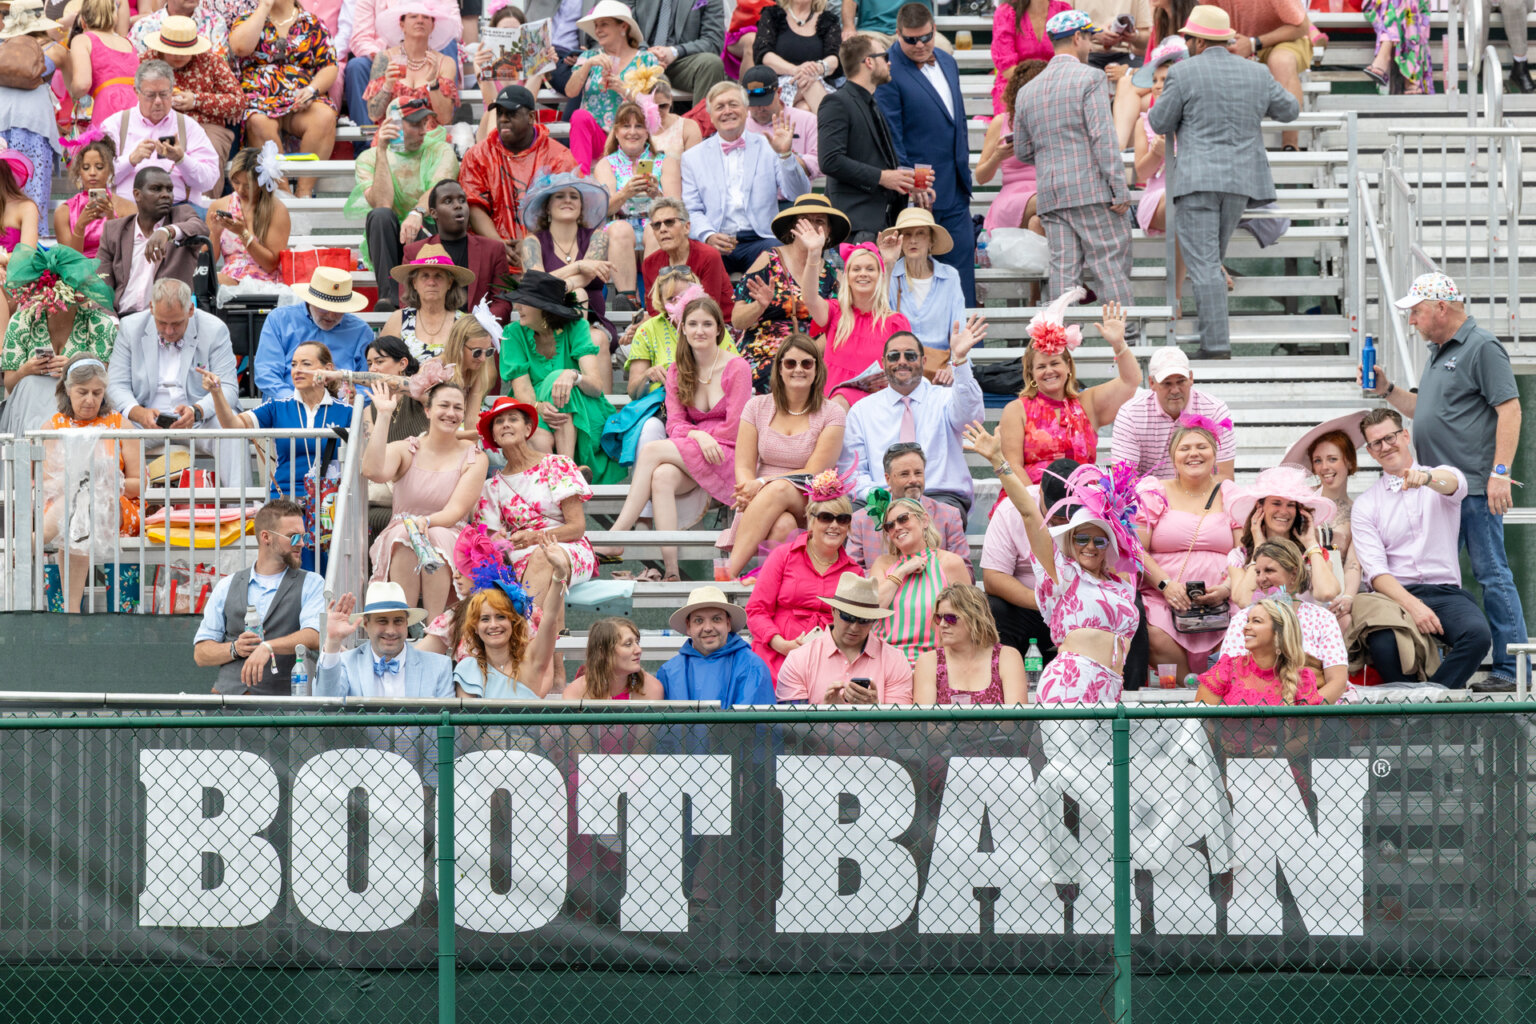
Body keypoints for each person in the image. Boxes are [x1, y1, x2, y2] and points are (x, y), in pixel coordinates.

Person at [1364, 272, 1525, 690]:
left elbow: (1510, 409)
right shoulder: (1439, 352)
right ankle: (1443, 666)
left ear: (1440, 307)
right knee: (1439, 583)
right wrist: (1388, 390)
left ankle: (1512, 670)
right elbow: (1424, 409)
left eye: (1416, 311)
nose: (1412, 321)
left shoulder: (1482, 346)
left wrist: (1500, 474)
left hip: (1470, 487)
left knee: (1492, 574)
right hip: (1435, 493)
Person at [1148, 5, 1298, 359]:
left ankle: (1216, 347)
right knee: (1211, 260)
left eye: (1188, 39)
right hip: (1241, 181)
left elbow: (1159, 121)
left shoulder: (1183, 73)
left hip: (1197, 179)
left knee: (1203, 265)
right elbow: (1289, 110)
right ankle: (1216, 343)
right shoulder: (1256, 73)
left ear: (1198, 42)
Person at [971, 426, 1142, 702]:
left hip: (1111, 689)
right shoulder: (1062, 572)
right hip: (1070, 684)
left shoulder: (1121, 587)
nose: (1089, 546)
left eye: (1099, 541)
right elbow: (1028, 512)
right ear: (1071, 540)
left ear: (1109, 546)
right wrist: (997, 460)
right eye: (1082, 538)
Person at [601, 295, 752, 580]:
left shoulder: (737, 367)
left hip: (729, 453)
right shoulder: (676, 370)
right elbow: (676, 424)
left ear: (719, 329)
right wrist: (699, 435)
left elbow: (736, 428)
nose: (700, 331)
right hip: (698, 449)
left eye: (707, 324)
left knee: (651, 452)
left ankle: (617, 534)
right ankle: (671, 570)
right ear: (682, 328)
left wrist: (703, 437)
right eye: (692, 324)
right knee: (662, 477)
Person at [1351, 408, 1492, 690]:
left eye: (1390, 437)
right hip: (1395, 596)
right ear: (1370, 451)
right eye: (1376, 443)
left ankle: (1424, 708)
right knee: (1384, 645)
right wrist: (1414, 606)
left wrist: (1427, 479)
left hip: (1445, 591)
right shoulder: (1366, 504)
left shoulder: (1440, 477)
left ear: (1405, 435)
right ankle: (1418, 715)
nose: (1385, 446)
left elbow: (1455, 484)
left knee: (1477, 636)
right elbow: (1376, 572)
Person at [1012, 12, 1134, 317]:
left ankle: (1059, 347)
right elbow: (1103, 138)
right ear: (1078, 38)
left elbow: (1023, 150)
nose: (1092, 44)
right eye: (1090, 37)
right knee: (1110, 266)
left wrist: (1051, 153)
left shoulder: (1027, 91)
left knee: (1063, 274)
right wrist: (1119, 188)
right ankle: (1128, 342)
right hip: (1091, 190)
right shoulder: (1090, 77)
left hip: (1052, 195)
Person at [876, 3, 977, 304]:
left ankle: (969, 348)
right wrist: (917, 183)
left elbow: (957, 121)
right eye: (911, 40)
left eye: (926, 37)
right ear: (897, 35)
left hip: (956, 186)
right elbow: (894, 136)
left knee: (962, 274)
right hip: (920, 193)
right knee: (918, 278)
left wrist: (964, 175)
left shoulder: (947, 61)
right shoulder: (888, 71)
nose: (920, 45)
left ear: (935, 30)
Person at [364, 377, 489, 620]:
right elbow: (373, 471)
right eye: (444, 405)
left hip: (449, 531)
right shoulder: (407, 448)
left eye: (457, 408)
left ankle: (435, 624)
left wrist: (427, 523)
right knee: (405, 533)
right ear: (428, 410)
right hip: (402, 530)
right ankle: (404, 622)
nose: (451, 413)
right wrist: (384, 416)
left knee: (436, 535)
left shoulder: (474, 457)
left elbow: (455, 511)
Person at [722, 336, 846, 580]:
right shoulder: (756, 407)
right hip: (760, 498)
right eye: (790, 364)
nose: (798, 369)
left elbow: (813, 472)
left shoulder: (832, 412)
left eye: (806, 364)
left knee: (778, 489)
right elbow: (744, 465)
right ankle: (773, 586)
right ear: (779, 369)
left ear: (817, 369)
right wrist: (750, 487)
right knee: (783, 526)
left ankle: (727, 575)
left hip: (810, 495)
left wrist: (760, 484)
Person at [1135, 416, 1242, 680]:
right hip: (1164, 598)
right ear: (1173, 458)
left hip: (1223, 600)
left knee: (1244, 627)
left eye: (1202, 446)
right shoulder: (1154, 491)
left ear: (1215, 455)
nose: (1194, 453)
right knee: (1156, 636)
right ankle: (1184, 708)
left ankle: (1218, 700)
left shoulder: (1229, 493)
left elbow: (1245, 550)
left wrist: (1228, 588)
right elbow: (1136, 548)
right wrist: (1166, 586)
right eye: (1185, 448)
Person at [106, 279, 244, 481]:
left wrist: (197, 411)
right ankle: (116, 509)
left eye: (177, 323)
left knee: (231, 429)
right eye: (162, 322)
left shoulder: (215, 329)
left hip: (200, 421)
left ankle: (241, 508)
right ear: (151, 308)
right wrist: (138, 413)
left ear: (191, 309)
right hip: (144, 422)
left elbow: (229, 388)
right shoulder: (130, 327)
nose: (169, 331)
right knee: (108, 431)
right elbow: (116, 384)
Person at [840, 326, 985, 515]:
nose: (902, 362)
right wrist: (875, 495)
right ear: (883, 362)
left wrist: (960, 360)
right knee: (848, 518)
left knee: (928, 522)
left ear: (923, 361)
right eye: (894, 356)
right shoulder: (861, 410)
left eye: (910, 356)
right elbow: (852, 469)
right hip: (881, 497)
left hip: (939, 494)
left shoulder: (945, 398)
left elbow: (971, 418)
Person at [38, 355, 143, 615]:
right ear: (67, 390)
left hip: (116, 507)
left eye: (97, 393)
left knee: (84, 500)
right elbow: (48, 484)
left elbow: (139, 485)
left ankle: (70, 614)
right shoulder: (52, 426)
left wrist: (108, 480)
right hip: (67, 509)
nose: (90, 400)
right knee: (79, 503)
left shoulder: (120, 424)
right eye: (82, 392)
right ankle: (72, 615)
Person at [998, 295, 1139, 484]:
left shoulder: (1087, 403)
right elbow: (1013, 466)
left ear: (1068, 367)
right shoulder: (1016, 410)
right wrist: (1037, 508)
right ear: (1031, 373)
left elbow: (1131, 381)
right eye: (1041, 367)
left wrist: (1119, 344)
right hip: (1031, 504)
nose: (1049, 371)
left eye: (1055, 363)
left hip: (1083, 503)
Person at [499, 270, 623, 483]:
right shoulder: (512, 333)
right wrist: (539, 407)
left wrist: (573, 376)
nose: (516, 307)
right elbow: (522, 392)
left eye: (524, 302)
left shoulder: (577, 327)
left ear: (544, 308)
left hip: (584, 410)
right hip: (535, 408)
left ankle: (564, 471)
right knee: (539, 438)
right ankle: (565, 475)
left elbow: (594, 386)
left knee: (561, 379)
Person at [192, 499, 325, 695]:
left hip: (281, 710)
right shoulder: (227, 585)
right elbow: (201, 654)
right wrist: (234, 649)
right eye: (294, 537)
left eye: (303, 537)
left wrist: (268, 646)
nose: (302, 544)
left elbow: (314, 635)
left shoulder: (311, 582)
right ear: (266, 537)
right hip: (226, 709)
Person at [475, 395, 599, 602]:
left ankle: (528, 627)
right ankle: (550, 631)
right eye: (499, 421)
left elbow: (577, 528)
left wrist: (534, 537)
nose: (506, 424)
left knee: (544, 556)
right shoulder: (491, 487)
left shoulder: (557, 464)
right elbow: (492, 544)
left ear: (527, 428)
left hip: (568, 548)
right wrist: (504, 540)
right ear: (493, 436)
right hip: (519, 555)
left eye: (513, 419)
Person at [743, 466, 862, 681]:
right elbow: (756, 610)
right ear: (811, 519)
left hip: (829, 660)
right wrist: (781, 644)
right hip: (776, 655)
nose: (834, 525)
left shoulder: (854, 571)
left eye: (842, 519)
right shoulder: (783, 556)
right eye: (826, 517)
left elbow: (857, 627)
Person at [199, 340, 353, 506]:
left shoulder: (347, 411)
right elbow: (232, 425)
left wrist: (341, 377)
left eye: (306, 364)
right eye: (293, 364)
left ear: (328, 369)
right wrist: (217, 393)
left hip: (331, 502)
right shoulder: (277, 406)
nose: (297, 370)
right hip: (284, 502)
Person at [680, 82, 811, 275]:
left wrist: (786, 156)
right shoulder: (692, 157)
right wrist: (708, 235)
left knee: (778, 253)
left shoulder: (770, 147)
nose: (727, 111)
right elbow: (691, 208)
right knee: (700, 258)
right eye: (720, 107)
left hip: (761, 239)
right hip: (716, 238)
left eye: (733, 104)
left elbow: (799, 193)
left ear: (746, 109)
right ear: (711, 117)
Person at [347, 101, 462, 309]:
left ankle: (417, 301)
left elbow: (439, 190)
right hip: (388, 241)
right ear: (395, 125)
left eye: (425, 123)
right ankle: (389, 299)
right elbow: (382, 203)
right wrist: (382, 150)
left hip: (429, 231)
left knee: (419, 226)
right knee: (379, 215)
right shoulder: (368, 158)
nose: (423, 131)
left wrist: (417, 212)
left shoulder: (440, 150)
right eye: (416, 124)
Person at [0, 245, 119, 436]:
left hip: (82, 412)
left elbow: (103, 383)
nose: (51, 299)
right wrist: (26, 370)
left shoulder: (98, 323)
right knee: (30, 384)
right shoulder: (21, 321)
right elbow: (10, 385)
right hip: (29, 407)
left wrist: (75, 370)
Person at [734, 194, 845, 392]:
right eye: (805, 221)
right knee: (771, 375)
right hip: (763, 354)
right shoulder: (768, 260)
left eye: (819, 222)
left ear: (827, 232)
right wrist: (759, 306)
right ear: (794, 227)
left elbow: (837, 329)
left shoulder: (833, 275)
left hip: (809, 357)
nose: (811, 227)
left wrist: (803, 353)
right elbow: (737, 320)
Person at [230, 0, 340, 197]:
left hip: (300, 96)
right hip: (259, 97)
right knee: (258, 122)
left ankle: (304, 192)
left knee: (324, 116)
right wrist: (264, 7)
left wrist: (312, 90)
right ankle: (282, 194)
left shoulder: (313, 23)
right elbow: (240, 48)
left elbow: (330, 65)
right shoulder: (249, 18)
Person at [1218, 538, 1349, 703]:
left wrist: (1300, 716)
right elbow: (1227, 677)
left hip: (1312, 716)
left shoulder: (1321, 618)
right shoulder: (1242, 619)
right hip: (1252, 715)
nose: (1261, 579)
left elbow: (1337, 682)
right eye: (1258, 572)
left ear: (1293, 574)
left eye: (1269, 570)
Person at [978, 455, 1078, 669]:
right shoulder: (1009, 510)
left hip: (1081, 604)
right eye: (1055, 511)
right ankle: (1002, 684)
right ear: (1040, 490)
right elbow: (993, 578)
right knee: (993, 609)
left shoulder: (1097, 512)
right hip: (1030, 606)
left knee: (1131, 606)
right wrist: (1044, 602)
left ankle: (1127, 692)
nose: (1061, 518)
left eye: (1067, 513)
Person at [517, 171, 635, 351]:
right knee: (576, 294)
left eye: (574, 197)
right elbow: (535, 283)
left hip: (593, 321)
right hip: (545, 320)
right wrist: (578, 265)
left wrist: (558, 284)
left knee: (580, 296)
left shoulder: (598, 237)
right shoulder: (532, 241)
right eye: (560, 196)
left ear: (581, 207)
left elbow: (586, 277)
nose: (567, 200)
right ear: (547, 207)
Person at [459, 84, 578, 260]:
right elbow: (473, 206)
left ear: (531, 117)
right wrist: (498, 244)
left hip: (548, 253)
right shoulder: (477, 155)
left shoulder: (559, 156)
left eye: (511, 113)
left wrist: (532, 243)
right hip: (492, 254)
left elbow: (567, 210)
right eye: (499, 113)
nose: (503, 119)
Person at [1196, 598, 1324, 758]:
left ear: (1278, 632)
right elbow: (1197, 721)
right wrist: (1220, 744)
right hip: (1223, 770)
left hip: (1278, 772)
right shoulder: (1227, 668)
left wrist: (1276, 752)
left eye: (1256, 621)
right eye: (1247, 620)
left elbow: (1310, 736)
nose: (1246, 627)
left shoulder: (1302, 678)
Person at [796, 240, 911, 408]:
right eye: (856, 269)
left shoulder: (895, 322)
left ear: (880, 276)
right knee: (840, 401)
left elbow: (906, 369)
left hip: (877, 407)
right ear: (847, 277)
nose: (863, 274)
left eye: (870, 269)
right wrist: (814, 253)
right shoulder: (835, 312)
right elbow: (810, 298)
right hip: (834, 405)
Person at [138, 17, 243, 202]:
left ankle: (202, 210)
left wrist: (197, 100)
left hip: (206, 125)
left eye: (184, 52)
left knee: (208, 151)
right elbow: (132, 92)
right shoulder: (147, 61)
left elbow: (238, 101)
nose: (178, 56)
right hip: (157, 123)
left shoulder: (211, 61)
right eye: (173, 52)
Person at [452, 538, 571, 699]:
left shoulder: (532, 660)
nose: (493, 625)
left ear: (513, 622)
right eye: (485, 619)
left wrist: (560, 573)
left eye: (501, 617)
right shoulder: (468, 669)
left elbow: (550, 616)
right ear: (475, 627)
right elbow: (468, 723)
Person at [818, 33, 908, 244]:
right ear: (869, 61)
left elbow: (874, 159)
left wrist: (905, 181)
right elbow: (830, 161)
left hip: (880, 222)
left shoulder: (872, 103)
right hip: (854, 226)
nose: (889, 62)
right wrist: (882, 177)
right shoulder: (837, 102)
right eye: (885, 57)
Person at [104, 56, 225, 206]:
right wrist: (130, 160)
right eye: (150, 95)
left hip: (177, 212)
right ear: (136, 92)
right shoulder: (115, 124)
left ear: (172, 91)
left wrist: (182, 159)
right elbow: (97, 177)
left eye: (164, 94)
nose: (158, 101)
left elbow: (209, 181)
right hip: (127, 212)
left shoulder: (188, 127)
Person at [777, 573, 914, 703]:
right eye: (847, 617)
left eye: (864, 620)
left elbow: (903, 725)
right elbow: (790, 726)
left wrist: (875, 712)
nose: (854, 627)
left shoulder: (800, 658)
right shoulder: (799, 659)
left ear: (874, 620)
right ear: (833, 611)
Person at [1284, 411, 1365, 629]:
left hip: (1338, 589)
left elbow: (1353, 564)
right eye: (1318, 461)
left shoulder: (1360, 510)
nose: (1324, 467)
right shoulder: (1301, 502)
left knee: (1346, 621)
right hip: (1299, 587)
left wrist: (1346, 597)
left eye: (1332, 459)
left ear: (1348, 461)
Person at [95, 165, 208, 316]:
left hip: (166, 321)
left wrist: (166, 231)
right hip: (122, 320)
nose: (165, 195)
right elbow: (100, 288)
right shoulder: (114, 231)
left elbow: (201, 228)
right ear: (137, 194)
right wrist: (112, 323)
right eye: (156, 189)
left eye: (169, 189)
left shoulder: (181, 216)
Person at [1109, 346, 1236, 480]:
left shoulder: (1215, 410)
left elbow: (1225, 476)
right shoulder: (1130, 414)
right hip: (1146, 497)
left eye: (1181, 381)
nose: (1175, 390)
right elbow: (1123, 479)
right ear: (1152, 383)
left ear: (1191, 378)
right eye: (1167, 383)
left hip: (1201, 497)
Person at [844, 442, 971, 574]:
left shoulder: (949, 515)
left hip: (936, 594)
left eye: (918, 473)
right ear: (887, 479)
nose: (913, 480)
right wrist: (896, 575)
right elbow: (852, 576)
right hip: (882, 593)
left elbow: (966, 574)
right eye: (905, 474)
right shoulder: (860, 521)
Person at [872, 496, 971, 666]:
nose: (897, 527)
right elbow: (874, 607)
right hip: (886, 664)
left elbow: (970, 620)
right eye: (890, 526)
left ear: (924, 520)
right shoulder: (883, 564)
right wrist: (902, 570)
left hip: (937, 663)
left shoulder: (949, 563)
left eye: (903, 519)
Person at [564, 1, 658, 174]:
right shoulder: (589, 56)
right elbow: (570, 91)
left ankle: (642, 177)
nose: (598, 30)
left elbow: (655, 108)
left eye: (604, 24)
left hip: (632, 138)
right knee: (579, 116)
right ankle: (581, 180)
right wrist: (587, 66)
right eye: (596, 25)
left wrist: (625, 90)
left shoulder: (646, 60)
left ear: (623, 26)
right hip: (598, 139)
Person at [316, 583, 455, 698]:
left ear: (407, 623)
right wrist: (333, 641)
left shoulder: (439, 666)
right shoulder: (345, 664)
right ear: (366, 624)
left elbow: (449, 729)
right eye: (382, 621)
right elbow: (325, 706)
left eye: (398, 621)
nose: (391, 631)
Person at [1226, 464, 1339, 606]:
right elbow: (1245, 601)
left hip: (1302, 627)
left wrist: (1310, 542)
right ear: (1260, 508)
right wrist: (1259, 548)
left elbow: (1326, 593)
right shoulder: (1240, 557)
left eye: (1291, 505)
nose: (1284, 511)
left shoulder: (1312, 554)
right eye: (1276, 503)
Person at [253, 268, 373, 398]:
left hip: (339, 409)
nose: (331, 315)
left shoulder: (361, 331)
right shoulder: (280, 319)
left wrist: (354, 400)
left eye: (339, 310)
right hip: (287, 405)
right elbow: (266, 372)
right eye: (324, 308)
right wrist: (292, 401)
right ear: (310, 300)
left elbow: (369, 383)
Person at [401, 181, 510, 319]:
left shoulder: (493, 250)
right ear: (434, 213)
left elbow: (503, 303)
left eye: (462, 200)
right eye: (448, 201)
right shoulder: (414, 252)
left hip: (478, 333)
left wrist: (476, 327)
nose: (458, 205)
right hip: (430, 333)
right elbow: (407, 302)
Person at [655, 585, 775, 707]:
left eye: (716, 619)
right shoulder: (668, 672)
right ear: (688, 626)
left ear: (728, 624)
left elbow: (753, 725)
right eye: (699, 620)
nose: (708, 628)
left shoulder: (753, 667)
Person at [879, 207, 965, 373]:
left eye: (920, 234)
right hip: (899, 367)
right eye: (908, 234)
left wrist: (952, 366)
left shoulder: (949, 276)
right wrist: (888, 265)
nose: (913, 240)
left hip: (941, 368)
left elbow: (958, 327)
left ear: (931, 241)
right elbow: (879, 320)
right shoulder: (890, 273)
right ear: (900, 241)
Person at [0, 1, 63, 229]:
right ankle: (34, 251)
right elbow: (76, 87)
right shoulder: (54, 50)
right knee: (35, 198)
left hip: (1, 121)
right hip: (36, 125)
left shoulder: (2, 47)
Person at [1215, 0, 1310, 150]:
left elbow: (1302, 26)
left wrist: (1253, 43)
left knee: (1281, 61)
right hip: (1236, 42)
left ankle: (1290, 144)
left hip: (1285, 40)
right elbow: (1205, 27)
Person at [912, 583, 1029, 704]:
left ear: (974, 619)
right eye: (938, 618)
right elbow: (924, 722)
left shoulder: (1007, 657)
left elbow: (1016, 720)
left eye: (950, 618)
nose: (942, 624)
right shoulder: (929, 661)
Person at [590, 101, 681, 255]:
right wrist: (625, 193)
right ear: (616, 132)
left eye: (639, 126)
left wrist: (656, 196)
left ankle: (656, 280)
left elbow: (677, 209)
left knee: (656, 229)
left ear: (647, 132)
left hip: (656, 225)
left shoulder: (665, 161)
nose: (632, 132)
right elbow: (603, 211)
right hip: (619, 229)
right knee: (620, 229)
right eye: (626, 126)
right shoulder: (606, 164)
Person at [975, 59, 1048, 238]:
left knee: (1037, 223)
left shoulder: (1054, 120)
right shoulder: (1002, 121)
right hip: (1014, 196)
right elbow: (981, 177)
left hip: (1046, 190)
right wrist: (997, 157)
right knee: (1054, 199)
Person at [362, 0, 460, 131]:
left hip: (429, 139)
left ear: (432, 26)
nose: (420, 20)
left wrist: (433, 83)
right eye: (413, 16)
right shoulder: (385, 58)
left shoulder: (445, 63)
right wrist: (387, 86)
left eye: (426, 17)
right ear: (402, 24)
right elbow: (374, 115)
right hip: (393, 138)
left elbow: (445, 118)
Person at [1131, 37, 1187, 251]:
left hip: (1190, 194)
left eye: (1164, 79)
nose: (1157, 86)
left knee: (1192, 203)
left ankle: (1198, 272)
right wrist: (1156, 153)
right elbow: (1142, 174)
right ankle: (1214, 267)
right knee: (1184, 203)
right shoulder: (1143, 122)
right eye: (1154, 80)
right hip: (1157, 199)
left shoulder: (1194, 118)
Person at [639, 196, 735, 317]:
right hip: (669, 327)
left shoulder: (709, 256)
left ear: (687, 227)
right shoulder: (650, 263)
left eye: (669, 222)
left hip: (716, 326)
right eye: (657, 225)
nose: (662, 229)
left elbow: (707, 308)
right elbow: (654, 310)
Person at [208, 146, 290, 285]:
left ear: (261, 183)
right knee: (205, 281)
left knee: (213, 282)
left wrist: (243, 234)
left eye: (248, 186)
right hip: (228, 277)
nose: (240, 189)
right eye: (236, 182)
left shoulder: (276, 210)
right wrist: (215, 235)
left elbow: (270, 265)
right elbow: (209, 262)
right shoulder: (220, 205)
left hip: (264, 280)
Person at [380, 244, 470, 361]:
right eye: (425, 276)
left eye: (438, 276)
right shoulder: (398, 319)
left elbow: (481, 370)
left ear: (450, 283)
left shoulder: (464, 323)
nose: (431, 282)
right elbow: (380, 363)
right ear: (414, 283)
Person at [750, 2, 839, 114]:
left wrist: (817, 68)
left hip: (818, 81)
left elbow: (834, 58)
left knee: (804, 108)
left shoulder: (828, 20)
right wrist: (796, 70)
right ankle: (832, 126)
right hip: (778, 85)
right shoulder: (773, 15)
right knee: (808, 82)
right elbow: (764, 55)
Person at [628, 0, 727, 100]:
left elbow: (713, 41)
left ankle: (700, 115)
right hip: (638, 55)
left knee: (711, 63)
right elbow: (623, 24)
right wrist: (645, 53)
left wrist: (675, 51)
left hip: (681, 61)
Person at [55, 136, 133, 259]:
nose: (92, 173)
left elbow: (126, 255)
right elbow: (68, 261)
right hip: (80, 273)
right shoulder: (64, 211)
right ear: (79, 171)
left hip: (114, 272)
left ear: (110, 170)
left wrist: (111, 219)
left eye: (99, 167)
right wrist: (80, 226)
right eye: (86, 167)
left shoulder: (127, 207)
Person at [68, 0, 139, 128]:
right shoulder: (127, 43)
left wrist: (73, 91)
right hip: (138, 104)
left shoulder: (83, 39)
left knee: (106, 147)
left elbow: (82, 84)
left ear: (83, 21)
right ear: (115, 18)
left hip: (109, 104)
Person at [990, 0, 1069, 114]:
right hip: (1015, 87)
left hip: (1056, 88)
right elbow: (1007, 70)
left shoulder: (1063, 10)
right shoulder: (1006, 12)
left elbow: (1069, 60)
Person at [562, 617, 666, 699]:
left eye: (637, 642)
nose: (638, 650)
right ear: (603, 652)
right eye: (628, 644)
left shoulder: (652, 688)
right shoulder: (575, 693)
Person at [741, 66, 820, 173]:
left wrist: (786, 158)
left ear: (779, 92)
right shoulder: (740, 125)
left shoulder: (808, 120)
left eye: (765, 101)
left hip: (795, 189)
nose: (759, 107)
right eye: (753, 103)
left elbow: (820, 162)